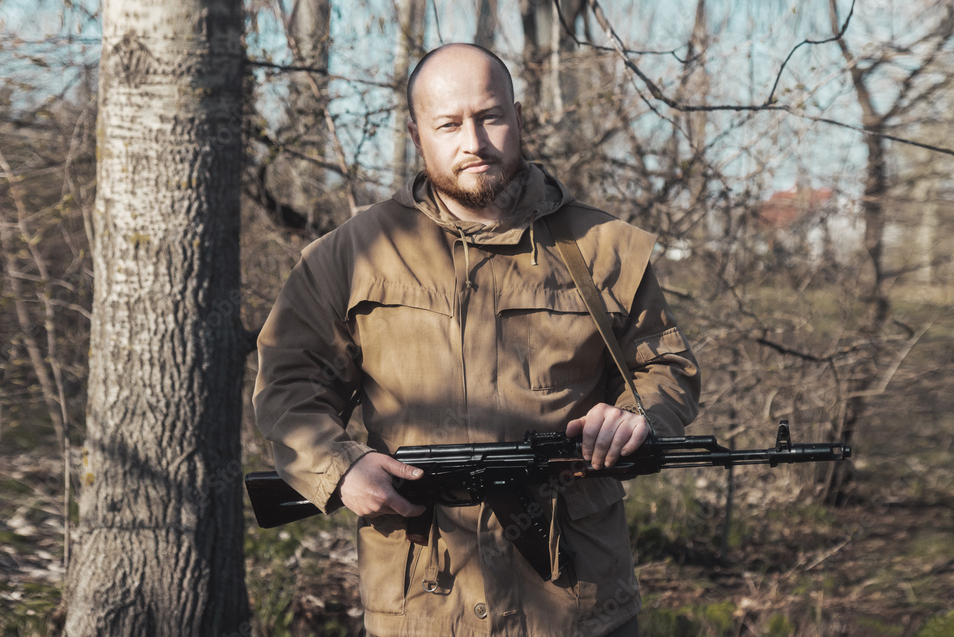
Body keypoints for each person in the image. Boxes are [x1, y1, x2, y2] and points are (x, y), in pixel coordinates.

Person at [254, 43, 700, 637]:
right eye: (448, 124)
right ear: (416, 134)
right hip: (423, 601)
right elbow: (288, 384)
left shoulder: (605, 248)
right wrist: (340, 467)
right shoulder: (352, 254)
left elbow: (664, 364)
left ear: (518, 117)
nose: (474, 142)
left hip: (578, 599)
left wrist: (637, 416)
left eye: (490, 117)